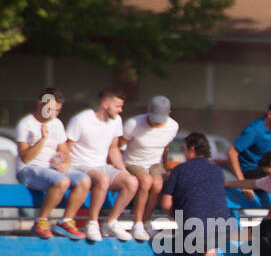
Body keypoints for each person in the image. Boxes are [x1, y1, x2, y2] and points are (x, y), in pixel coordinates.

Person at [64, 86, 138, 241]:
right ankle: (92, 223)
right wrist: (62, 167)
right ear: (105, 104)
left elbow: (113, 149)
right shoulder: (82, 119)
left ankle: (111, 222)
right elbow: (66, 147)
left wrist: (123, 170)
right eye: (118, 106)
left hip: (100, 165)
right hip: (78, 165)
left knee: (131, 182)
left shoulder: (116, 120)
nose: (120, 110)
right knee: (103, 178)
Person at [15, 87, 90, 239]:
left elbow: (64, 151)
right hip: (29, 170)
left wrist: (64, 163)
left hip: (50, 170)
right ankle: (41, 220)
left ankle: (66, 221)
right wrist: (42, 139)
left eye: (58, 110)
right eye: (51, 109)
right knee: (62, 182)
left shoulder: (57, 124)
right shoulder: (26, 124)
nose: (54, 113)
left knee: (84, 180)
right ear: (40, 104)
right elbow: (25, 158)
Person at [118, 96, 179, 241]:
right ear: (147, 111)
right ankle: (137, 223)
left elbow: (166, 147)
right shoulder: (133, 124)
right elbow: (118, 145)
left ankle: (147, 221)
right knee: (145, 181)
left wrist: (165, 166)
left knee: (157, 184)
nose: (157, 123)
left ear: (169, 112)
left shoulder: (173, 126)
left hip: (154, 162)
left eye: (160, 119)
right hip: (132, 161)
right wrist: (118, 168)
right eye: (154, 118)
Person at [228, 100, 271, 197]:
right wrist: (242, 183)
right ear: (270, 114)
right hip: (252, 170)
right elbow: (231, 153)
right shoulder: (254, 130)